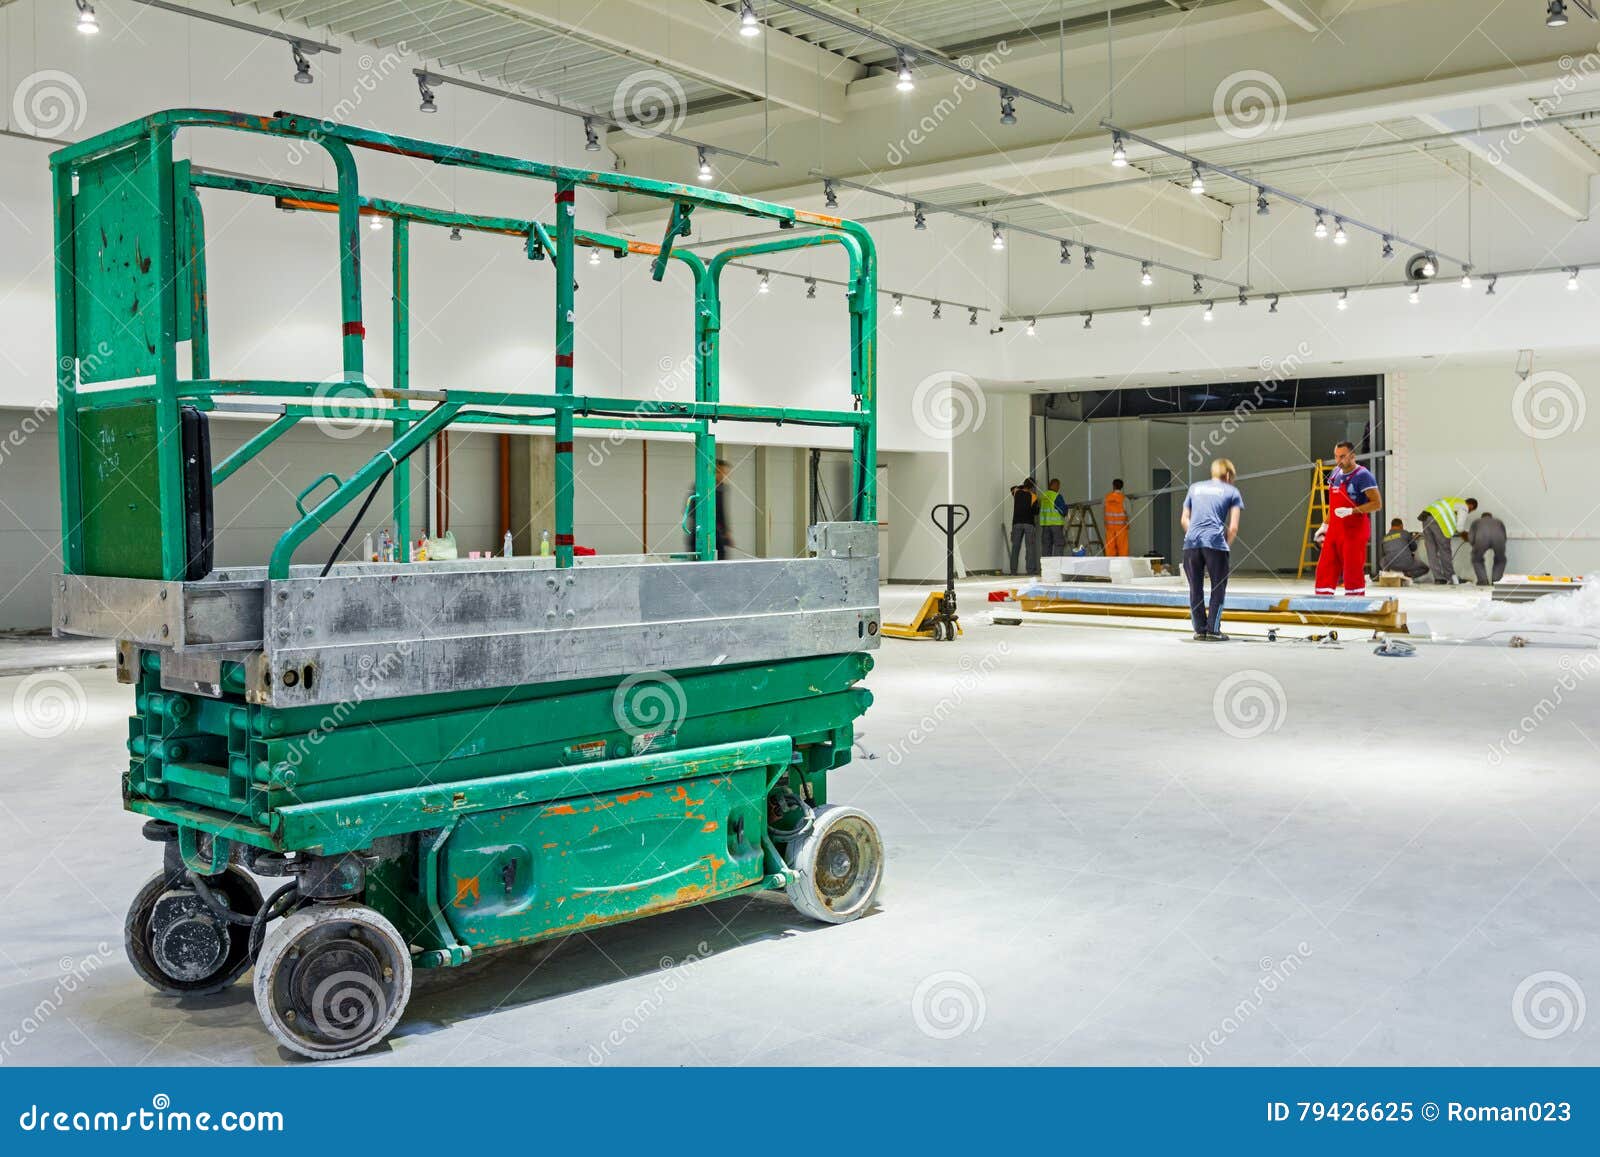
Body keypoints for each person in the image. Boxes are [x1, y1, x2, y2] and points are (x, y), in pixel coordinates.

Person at [1180, 458, 1243, 641]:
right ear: (1229, 475)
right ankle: (1213, 631)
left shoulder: (1194, 488)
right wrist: (1224, 545)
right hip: (1215, 543)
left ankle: (1200, 630)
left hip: (1191, 543)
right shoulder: (1232, 491)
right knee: (1218, 588)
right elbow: (1233, 527)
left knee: (1195, 588)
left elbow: (1184, 519)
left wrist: (1194, 535)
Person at [1313, 440, 1381, 597]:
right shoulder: (1335, 473)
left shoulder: (1363, 476)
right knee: (1325, 568)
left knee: (1352, 571)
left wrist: (1352, 511)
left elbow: (1377, 504)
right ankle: (1322, 603)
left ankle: (1354, 603)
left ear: (1352, 456)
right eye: (1336, 456)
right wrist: (1324, 525)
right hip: (1335, 530)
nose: (1339, 460)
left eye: (1342, 456)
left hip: (1354, 531)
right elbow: (1333, 506)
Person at [683, 459, 735, 560]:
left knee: (721, 558)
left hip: (717, 535)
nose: (723, 475)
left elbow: (721, 513)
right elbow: (691, 511)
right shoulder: (700, 487)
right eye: (720, 472)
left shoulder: (721, 488)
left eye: (725, 473)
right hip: (701, 535)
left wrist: (726, 532)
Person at [1421, 495, 1476, 584]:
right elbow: (1460, 528)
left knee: (1431, 550)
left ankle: (1439, 578)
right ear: (1471, 506)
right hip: (1438, 521)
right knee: (1445, 550)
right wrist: (1466, 536)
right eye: (1471, 510)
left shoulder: (1452, 501)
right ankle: (1451, 578)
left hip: (1425, 518)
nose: (1469, 512)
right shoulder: (1464, 506)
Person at [1008, 477, 1040, 575]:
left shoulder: (1016, 492)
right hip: (1029, 524)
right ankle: (1030, 571)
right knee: (1030, 548)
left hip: (1017, 523)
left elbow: (1012, 488)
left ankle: (1013, 571)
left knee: (1015, 548)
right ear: (1032, 487)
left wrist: (1023, 486)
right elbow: (1036, 512)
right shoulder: (1033, 496)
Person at [1471, 511, 1508, 586]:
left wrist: (1475, 546)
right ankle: (1496, 581)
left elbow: (1471, 537)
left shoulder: (1477, 522)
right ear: (1491, 517)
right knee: (1500, 560)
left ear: (1482, 517)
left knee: (1476, 559)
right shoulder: (1498, 521)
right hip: (1498, 539)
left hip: (1482, 539)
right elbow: (1504, 537)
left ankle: (1483, 581)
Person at [1039, 477, 1066, 560]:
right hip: (1056, 525)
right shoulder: (1056, 496)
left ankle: (1046, 566)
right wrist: (1066, 509)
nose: (1058, 488)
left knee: (1046, 546)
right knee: (1058, 545)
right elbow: (1063, 510)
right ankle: (1057, 566)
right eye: (1058, 486)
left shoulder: (1043, 496)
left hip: (1045, 525)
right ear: (1055, 485)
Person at [1103, 478, 1129, 557]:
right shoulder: (1124, 499)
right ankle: (1123, 564)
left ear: (1113, 486)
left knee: (1110, 550)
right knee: (1123, 550)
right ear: (1122, 487)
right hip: (1121, 529)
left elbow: (1103, 511)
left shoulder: (1106, 498)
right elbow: (1129, 513)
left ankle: (1111, 564)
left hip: (1109, 529)